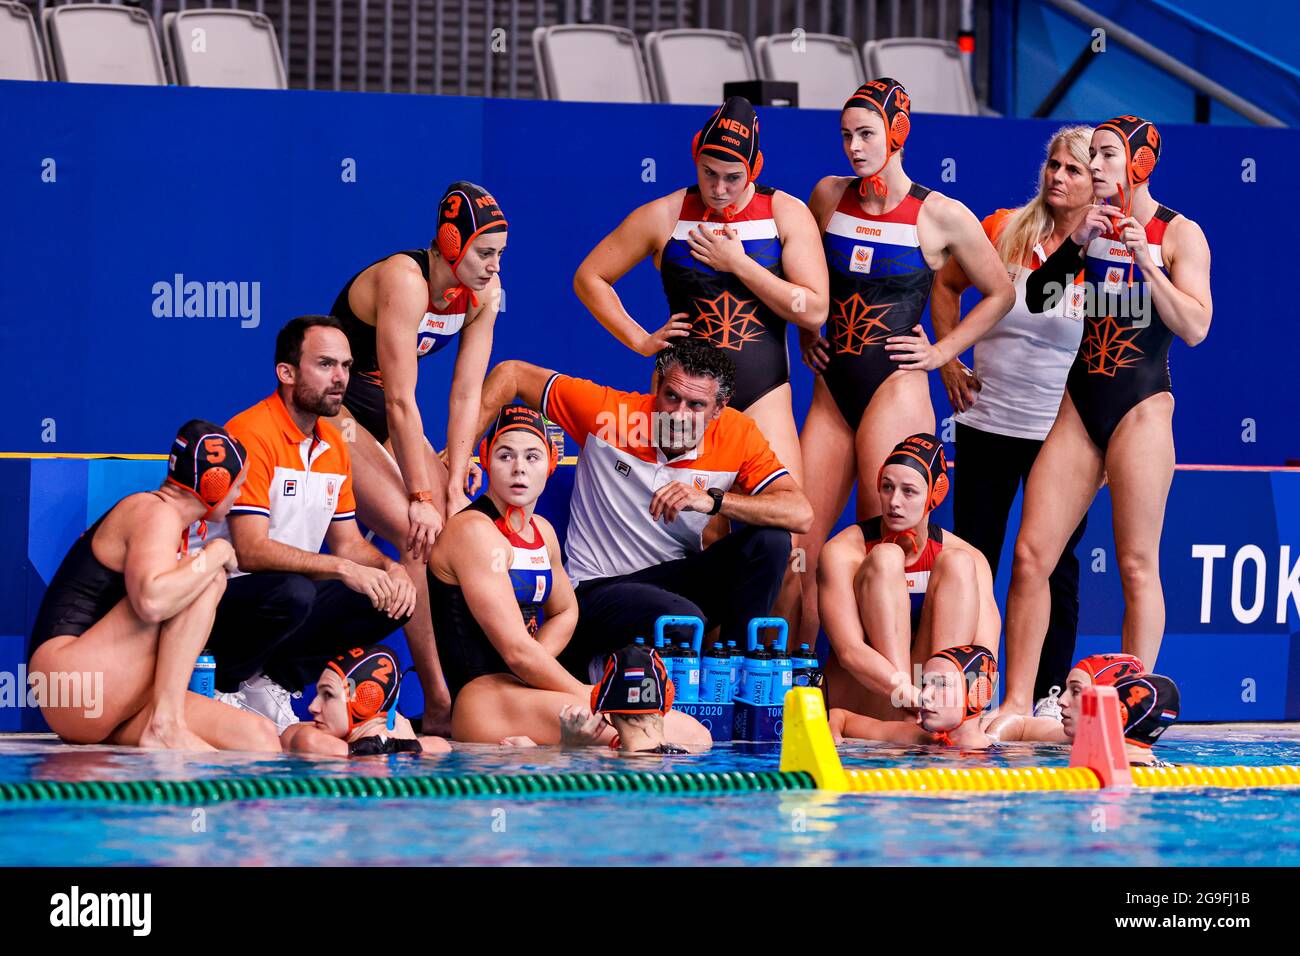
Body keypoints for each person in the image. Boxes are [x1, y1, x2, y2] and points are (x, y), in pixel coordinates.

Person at [794, 78, 1014, 649]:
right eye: (846, 136)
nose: (854, 147)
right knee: (801, 541)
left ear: (897, 133)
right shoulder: (827, 195)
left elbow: (999, 293)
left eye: (866, 134)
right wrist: (806, 331)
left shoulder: (938, 214)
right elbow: (805, 275)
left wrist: (944, 354)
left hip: (894, 388)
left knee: (883, 548)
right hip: (831, 390)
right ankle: (800, 681)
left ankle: (888, 689)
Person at [1003, 116, 1213, 714]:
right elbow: (1040, 299)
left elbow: (1196, 327)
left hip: (1141, 409)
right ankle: (1017, 703)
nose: (1093, 167)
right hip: (1080, 402)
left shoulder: (1179, 234)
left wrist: (1149, 263)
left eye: (1105, 157)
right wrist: (1074, 244)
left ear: (1141, 165)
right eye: (1089, 155)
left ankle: (1132, 706)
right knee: (1030, 555)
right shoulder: (1087, 224)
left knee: (1135, 564)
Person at [475, 340, 813, 680]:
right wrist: (456, 457)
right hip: (598, 589)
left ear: (719, 408)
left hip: (676, 581)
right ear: (656, 387)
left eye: (696, 405)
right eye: (671, 397)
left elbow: (799, 513)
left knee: (770, 541)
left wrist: (713, 500)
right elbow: (512, 374)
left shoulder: (737, 432)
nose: (679, 415)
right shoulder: (607, 413)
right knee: (683, 618)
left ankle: (732, 673)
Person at [573, 96, 828, 502]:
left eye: (732, 178)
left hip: (764, 394)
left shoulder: (784, 212)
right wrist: (639, 340)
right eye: (709, 174)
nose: (719, 189)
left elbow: (814, 308)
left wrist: (739, 265)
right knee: (678, 526)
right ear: (695, 156)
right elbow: (590, 278)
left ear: (754, 170)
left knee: (783, 528)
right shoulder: (666, 215)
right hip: (681, 398)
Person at [326, 181, 509, 733]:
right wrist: (425, 496)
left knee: (459, 530)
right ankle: (439, 700)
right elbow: (402, 400)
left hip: (386, 415)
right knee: (417, 529)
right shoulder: (405, 280)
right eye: (484, 252)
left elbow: (465, 394)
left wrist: (454, 479)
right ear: (451, 243)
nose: (494, 266)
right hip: (337, 412)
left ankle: (475, 681)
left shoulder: (483, 295)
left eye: (500, 254)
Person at [429, 405, 714, 745]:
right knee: (633, 738)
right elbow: (516, 652)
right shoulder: (473, 531)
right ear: (487, 460)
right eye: (506, 456)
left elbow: (566, 611)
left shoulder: (542, 532)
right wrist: (586, 692)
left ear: (550, 464)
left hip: (527, 687)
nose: (519, 468)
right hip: (483, 700)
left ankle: (543, 753)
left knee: (696, 736)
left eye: (532, 457)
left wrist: (539, 659)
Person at [930, 126, 1095, 711]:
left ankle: (1046, 697)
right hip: (987, 419)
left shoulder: (1106, 254)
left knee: (1054, 567)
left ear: (1096, 181)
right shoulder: (1003, 228)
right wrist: (949, 358)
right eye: (1053, 164)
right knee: (973, 557)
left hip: (1061, 435)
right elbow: (945, 286)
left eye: (1073, 169)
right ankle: (963, 692)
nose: (1057, 176)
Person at [204, 316, 416, 733]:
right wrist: (341, 568)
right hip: (219, 598)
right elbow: (250, 550)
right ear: (286, 372)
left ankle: (271, 683)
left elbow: (350, 543)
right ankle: (223, 684)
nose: (340, 379)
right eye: (325, 365)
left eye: (346, 366)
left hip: (282, 595)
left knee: (388, 599)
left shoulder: (334, 443)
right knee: (294, 591)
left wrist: (390, 570)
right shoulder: (251, 432)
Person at [26, 420, 280, 752]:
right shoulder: (154, 511)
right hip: (74, 680)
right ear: (215, 483)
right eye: (237, 485)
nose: (240, 495)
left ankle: (165, 724)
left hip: (112, 696)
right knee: (207, 577)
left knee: (258, 739)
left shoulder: (167, 521)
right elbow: (152, 601)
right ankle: (166, 723)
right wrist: (216, 553)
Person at [817, 434, 999, 719]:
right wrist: (910, 696)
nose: (894, 502)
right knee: (886, 557)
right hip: (864, 705)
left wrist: (957, 710)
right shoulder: (843, 551)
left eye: (908, 491)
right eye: (887, 487)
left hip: (929, 704)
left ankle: (938, 708)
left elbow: (983, 655)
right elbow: (849, 651)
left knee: (958, 564)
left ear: (934, 495)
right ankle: (918, 713)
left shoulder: (968, 556)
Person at [280, 645, 450, 755]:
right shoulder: (309, 738)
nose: (313, 707)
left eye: (328, 695)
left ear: (364, 701)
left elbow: (442, 745)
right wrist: (402, 745)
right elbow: (300, 737)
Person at [828, 645, 999, 750]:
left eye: (941, 684)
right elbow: (839, 716)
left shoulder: (999, 748)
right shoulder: (918, 737)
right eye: (924, 684)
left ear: (977, 694)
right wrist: (833, 738)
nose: (924, 695)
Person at [552, 644, 706, 755]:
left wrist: (568, 747)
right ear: (667, 701)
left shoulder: (599, 766)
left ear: (600, 704)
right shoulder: (697, 747)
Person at [986, 652, 1143, 743]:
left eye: (1076, 691)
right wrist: (992, 740)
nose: (1061, 701)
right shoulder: (1072, 738)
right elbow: (1020, 724)